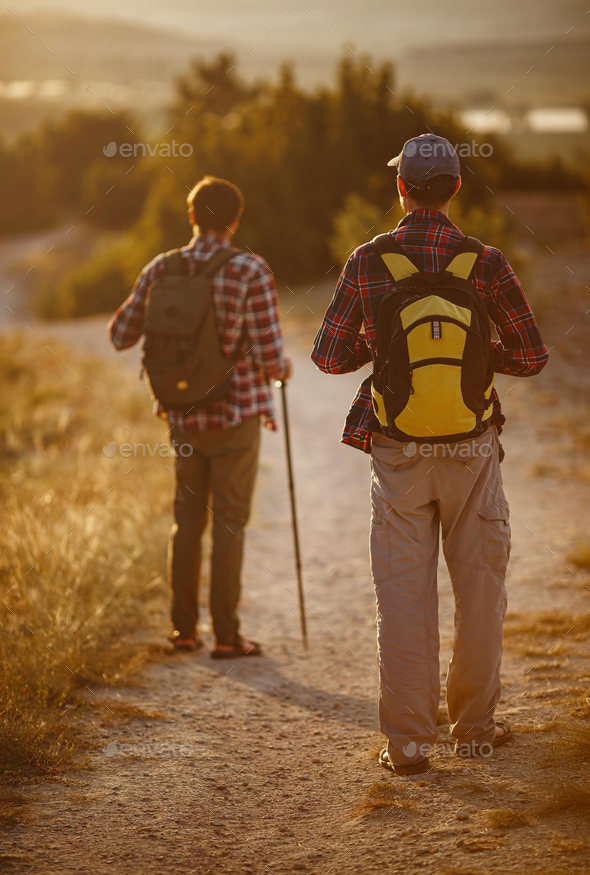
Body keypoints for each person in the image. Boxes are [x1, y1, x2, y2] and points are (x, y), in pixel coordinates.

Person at [312, 134, 548, 775]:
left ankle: (410, 745)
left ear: (400, 188)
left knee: (404, 597)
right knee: (480, 591)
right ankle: (474, 732)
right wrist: (476, 359)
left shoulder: (367, 260)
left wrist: (383, 349)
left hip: (397, 454)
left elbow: (328, 357)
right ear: (456, 189)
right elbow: (531, 356)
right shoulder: (486, 261)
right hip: (473, 450)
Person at [109, 176, 290, 659]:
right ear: (235, 219)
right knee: (229, 522)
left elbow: (119, 335)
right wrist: (282, 368)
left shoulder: (160, 268)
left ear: (191, 216)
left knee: (187, 521)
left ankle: (183, 631)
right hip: (236, 417)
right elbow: (272, 357)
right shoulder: (250, 269)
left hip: (183, 418)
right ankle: (228, 636)